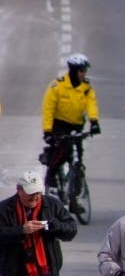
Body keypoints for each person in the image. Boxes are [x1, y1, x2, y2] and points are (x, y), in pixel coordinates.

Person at [41, 53, 101, 192]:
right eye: (81, 70)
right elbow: (48, 108)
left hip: (77, 125)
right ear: (73, 70)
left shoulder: (86, 88)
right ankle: (51, 173)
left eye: (85, 70)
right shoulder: (57, 85)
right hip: (60, 124)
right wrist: (47, 131)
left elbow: (91, 104)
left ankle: (75, 194)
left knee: (78, 157)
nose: (83, 74)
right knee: (64, 150)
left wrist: (94, 122)